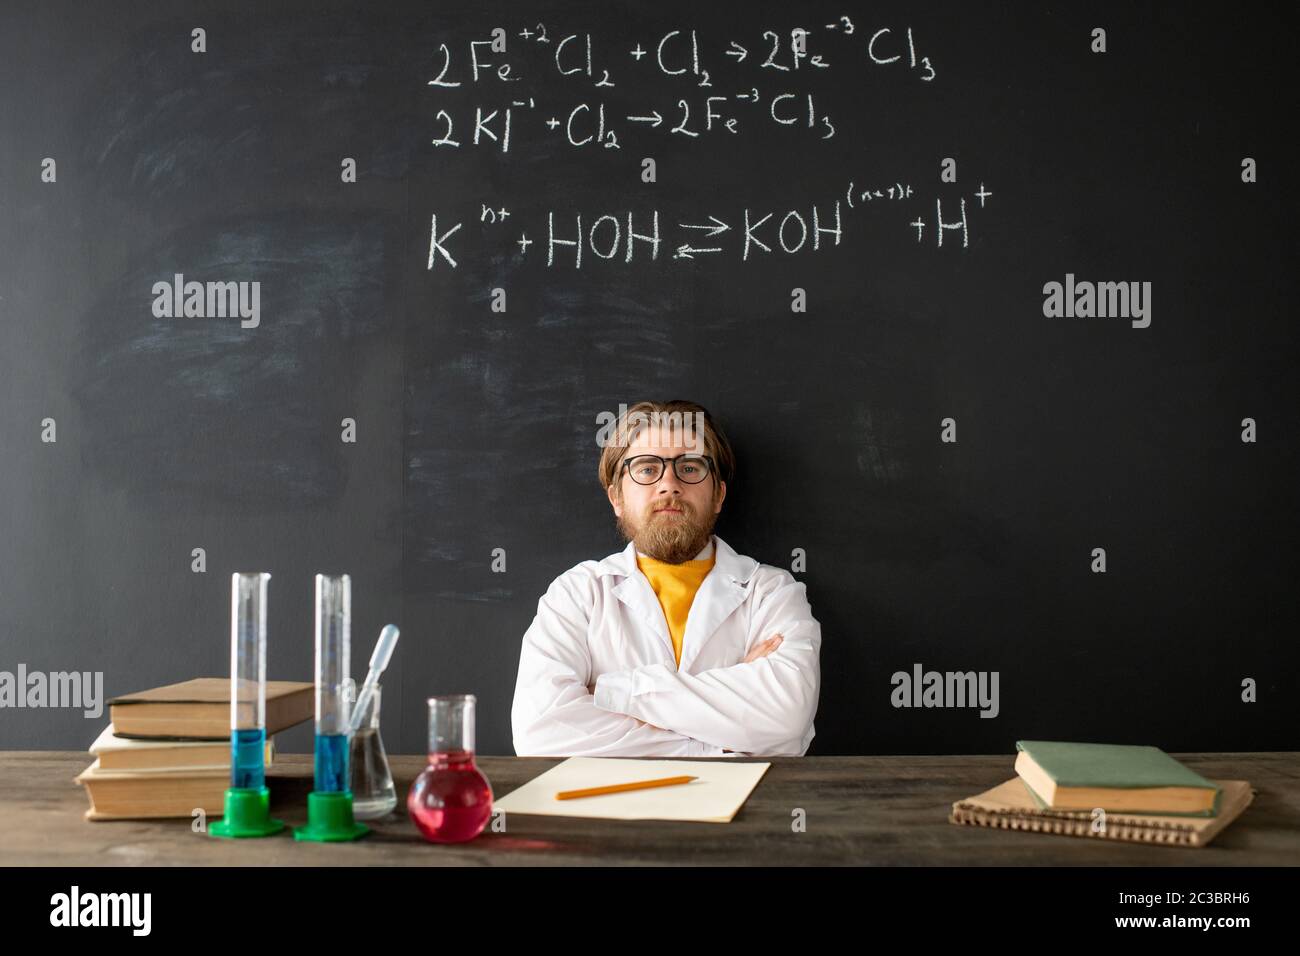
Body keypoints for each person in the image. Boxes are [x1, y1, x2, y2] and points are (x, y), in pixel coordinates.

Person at [511, 400, 821, 756]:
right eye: (646, 469)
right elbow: (541, 735)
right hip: (608, 810)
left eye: (689, 467)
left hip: (748, 808)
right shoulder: (576, 594)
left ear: (718, 494)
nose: (669, 485)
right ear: (617, 497)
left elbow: (785, 718)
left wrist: (616, 693)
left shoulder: (772, 593)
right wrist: (721, 738)